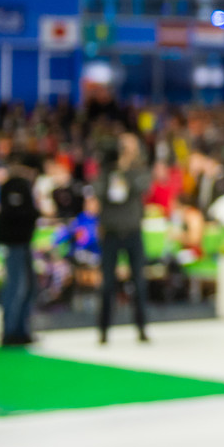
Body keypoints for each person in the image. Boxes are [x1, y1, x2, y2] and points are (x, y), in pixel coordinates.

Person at [93, 131, 151, 344]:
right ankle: (103, 330)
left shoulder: (139, 169)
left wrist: (126, 169)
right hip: (111, 232)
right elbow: (99, 191)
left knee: (139, 282)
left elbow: (141, 186)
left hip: (133, 231)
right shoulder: (106, 170)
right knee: (107, 284)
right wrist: (115, 168)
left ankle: (142, 327)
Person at [0, 154, 42, 347]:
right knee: (16, 287)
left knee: (27, 287)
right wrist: (36, 213)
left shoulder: (17, 185)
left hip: (22, 243)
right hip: (15, 244)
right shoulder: (15, 185)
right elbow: (15, 214)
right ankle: (10, 331)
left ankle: (20, 330)